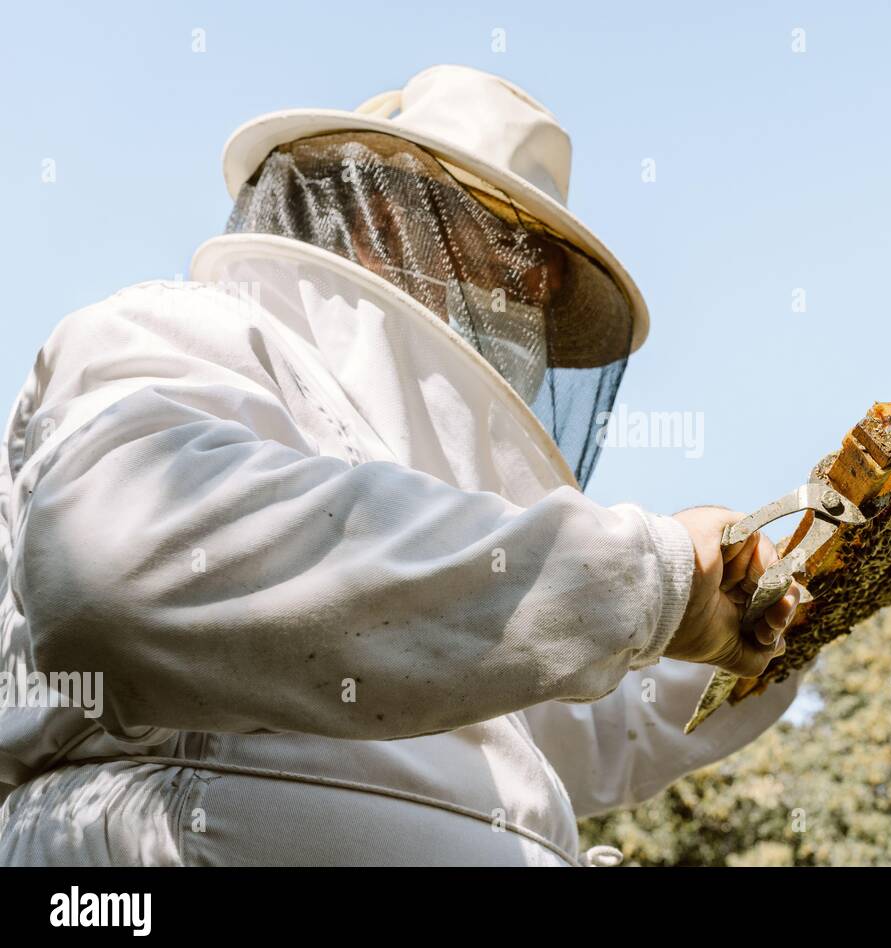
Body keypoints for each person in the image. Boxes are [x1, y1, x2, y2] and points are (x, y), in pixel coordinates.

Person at [0, 64, 801, 865]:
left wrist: (776, 609)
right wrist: (643, 577)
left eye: (549, 280)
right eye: (516, 250)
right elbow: (125, 572)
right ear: (384, 220)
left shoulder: (444, 537)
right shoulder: (177, 334)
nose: (537, 293)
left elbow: (567, 726)